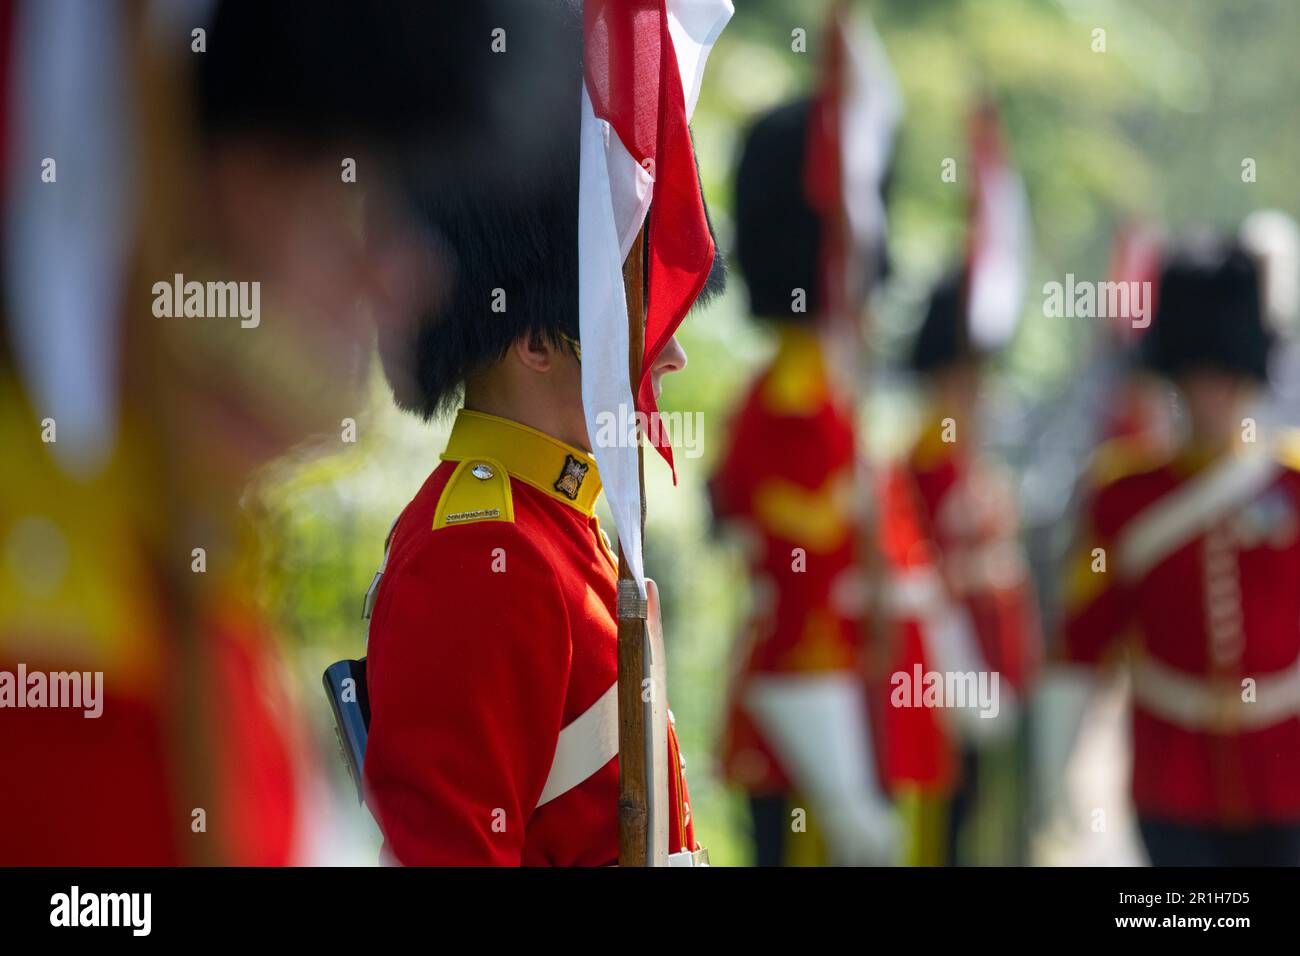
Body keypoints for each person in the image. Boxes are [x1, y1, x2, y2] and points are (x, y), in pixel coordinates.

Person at [360, 1, 726, 866]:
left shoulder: (559, 531)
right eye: (635, 316)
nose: (668, 353)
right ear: (532, 340)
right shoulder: (484, 556)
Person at [1059, 236, 1300, 866]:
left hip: (1286, 769)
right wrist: (1056, 761)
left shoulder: (1292, 484)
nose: (1209, 395)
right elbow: (1085, 638)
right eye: (1196, 377)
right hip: (1172, 775)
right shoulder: (1123, 496)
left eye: (1222, 377)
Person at [711, 98, 901, 866]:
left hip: (837, 672)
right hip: (803, 673)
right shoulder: (797, 392)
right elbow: (803, 542)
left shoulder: (825, 386)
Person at [904, 271, 1042, 864]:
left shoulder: (968, 456)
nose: (978, 388)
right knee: (947, 825)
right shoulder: (927, 460)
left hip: (988, 667)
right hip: (946, 665)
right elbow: (924, 568)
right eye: (968, 373)